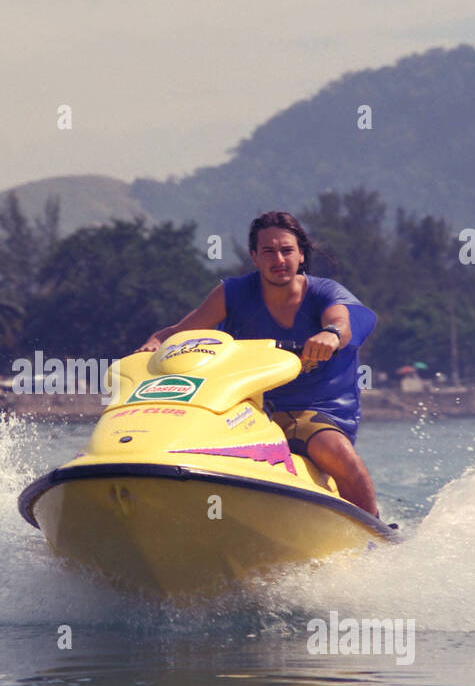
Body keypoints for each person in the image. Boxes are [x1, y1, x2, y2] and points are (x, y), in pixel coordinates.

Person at [138, 210, 380, 516]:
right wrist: (153, 344)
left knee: (336, 452)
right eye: (268, 251)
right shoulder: (233, 293)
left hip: (312, 411)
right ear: (254, 257)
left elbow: (341, 324)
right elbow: (175, 333)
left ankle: (377, 534)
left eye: (287, 250)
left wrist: (330, 335)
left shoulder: (325, 293)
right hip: (244, 406)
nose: (278, 259)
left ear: (301, 255)